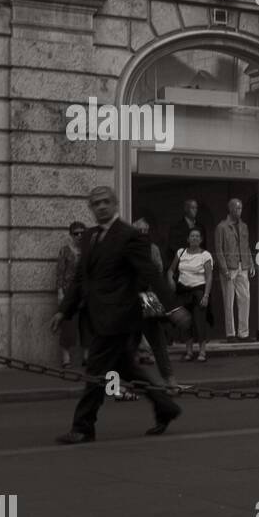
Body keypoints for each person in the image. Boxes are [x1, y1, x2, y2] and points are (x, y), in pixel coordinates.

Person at [49, 186, 191, 443]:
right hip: (98, 317)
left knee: (95, 370)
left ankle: (83, 427)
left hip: (121, 318)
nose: (101, 206)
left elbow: (150, 273)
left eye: (106, 201)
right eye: (96, 203)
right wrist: (63, 311)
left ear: (115, 204)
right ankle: (166, 408)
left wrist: (173, 307)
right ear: (91, 208)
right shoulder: (90, 236)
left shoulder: (129, 236)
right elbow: (80, 278)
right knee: (127, 368)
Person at [132, 217, 174, 386]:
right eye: (139, 231)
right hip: (133, 296)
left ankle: (169, 378)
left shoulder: (153, 248)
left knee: (157, 338)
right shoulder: (129, 248)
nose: (143, 234)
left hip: (148, 295)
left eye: (145, 231)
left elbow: (159, 270)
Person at [168, 227, 213, 362]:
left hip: (199, 292)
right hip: (183, 292)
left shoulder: (205, 255)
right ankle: (189, 351)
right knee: (185, 322)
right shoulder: (181, 252)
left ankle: (202, 351)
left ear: (201, 240)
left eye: (197, 236)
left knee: (199, 321)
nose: (194, 238)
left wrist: (206, 295)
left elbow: (209, 276)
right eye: (192, 236)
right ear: (188, 239)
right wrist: (171, 281)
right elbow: (170, 270)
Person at [215, 198, 254, 342]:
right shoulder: (222, 227)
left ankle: (243, 333)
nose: (239, 211)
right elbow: (218, 250)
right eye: (237, 208)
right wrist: (224, 268)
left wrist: (251, 263)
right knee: (229, 301)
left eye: (240, 208)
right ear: (230, 209)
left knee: (245, 299)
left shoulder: (244, 226)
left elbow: (246, 245)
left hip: (243, 265)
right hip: (229, 267)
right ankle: (230, 333)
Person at [55, 220, 87, 368]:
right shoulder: (65, 251)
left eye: (82, 233)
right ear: (71, 235)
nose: (79, 236)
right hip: (69, 293)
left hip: (85, 293)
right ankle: (66, 358)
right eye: (76, 233)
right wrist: (60, 292)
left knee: (87, 325)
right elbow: (60, 273)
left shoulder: (88, 251)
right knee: (68, 326)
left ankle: (87, 357)